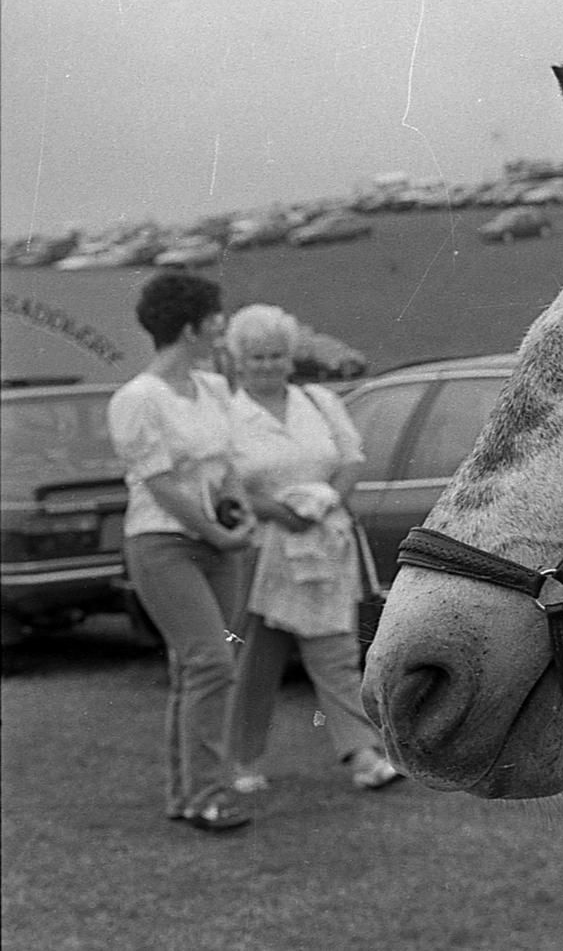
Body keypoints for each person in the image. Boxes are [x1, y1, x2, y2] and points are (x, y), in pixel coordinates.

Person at [220, 304, 402, 794]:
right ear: (238, 361)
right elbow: (224, 487)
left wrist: (326, 501)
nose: (267, 366)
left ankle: (364, 755)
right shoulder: (226, 417)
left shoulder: (319, 401)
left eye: (276, 355)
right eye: (256, 357)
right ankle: (241, 761)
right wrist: (277, 511)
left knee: (337, 655)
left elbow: (350, 461)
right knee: (256, 659)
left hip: (325, 547)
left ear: (291, 356)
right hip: (262, 553)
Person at [108, 271, 259, 832]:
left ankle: (187, 794)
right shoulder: (137, 399)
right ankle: (208, 796)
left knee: (201, 667)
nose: (221, 328)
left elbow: (226, 466)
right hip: (163, 546)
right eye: (214, 318)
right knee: (211, 662)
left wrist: (237, 513)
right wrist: (218, 535)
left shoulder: (214, 388)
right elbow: (161, 486)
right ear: (190, 326)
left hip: (220, 545)